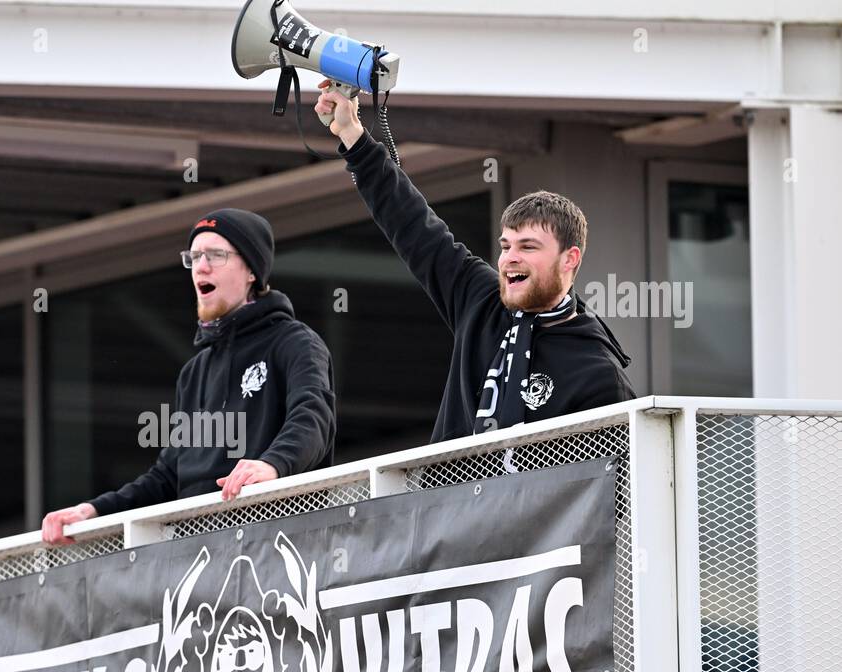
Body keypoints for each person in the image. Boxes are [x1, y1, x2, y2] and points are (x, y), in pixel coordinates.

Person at [315, 83, 635, 442]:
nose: (510, 258)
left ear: (569, 259)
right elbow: (412, 224)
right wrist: (351, 133)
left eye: (528, 247)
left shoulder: (597, 372)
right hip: (447, 498)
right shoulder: (480, 298)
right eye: (506, 245)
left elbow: (614, 485)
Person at [41, 208, 337, 545]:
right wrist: (93, 512)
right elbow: (168, 477)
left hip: (278, 547)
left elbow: (313, 417)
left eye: (216, 255)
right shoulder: (194, 373)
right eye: (194, 256)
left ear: (252, 271)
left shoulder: (295, 342)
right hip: (199, 562)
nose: (201, 266)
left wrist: (273, 465)